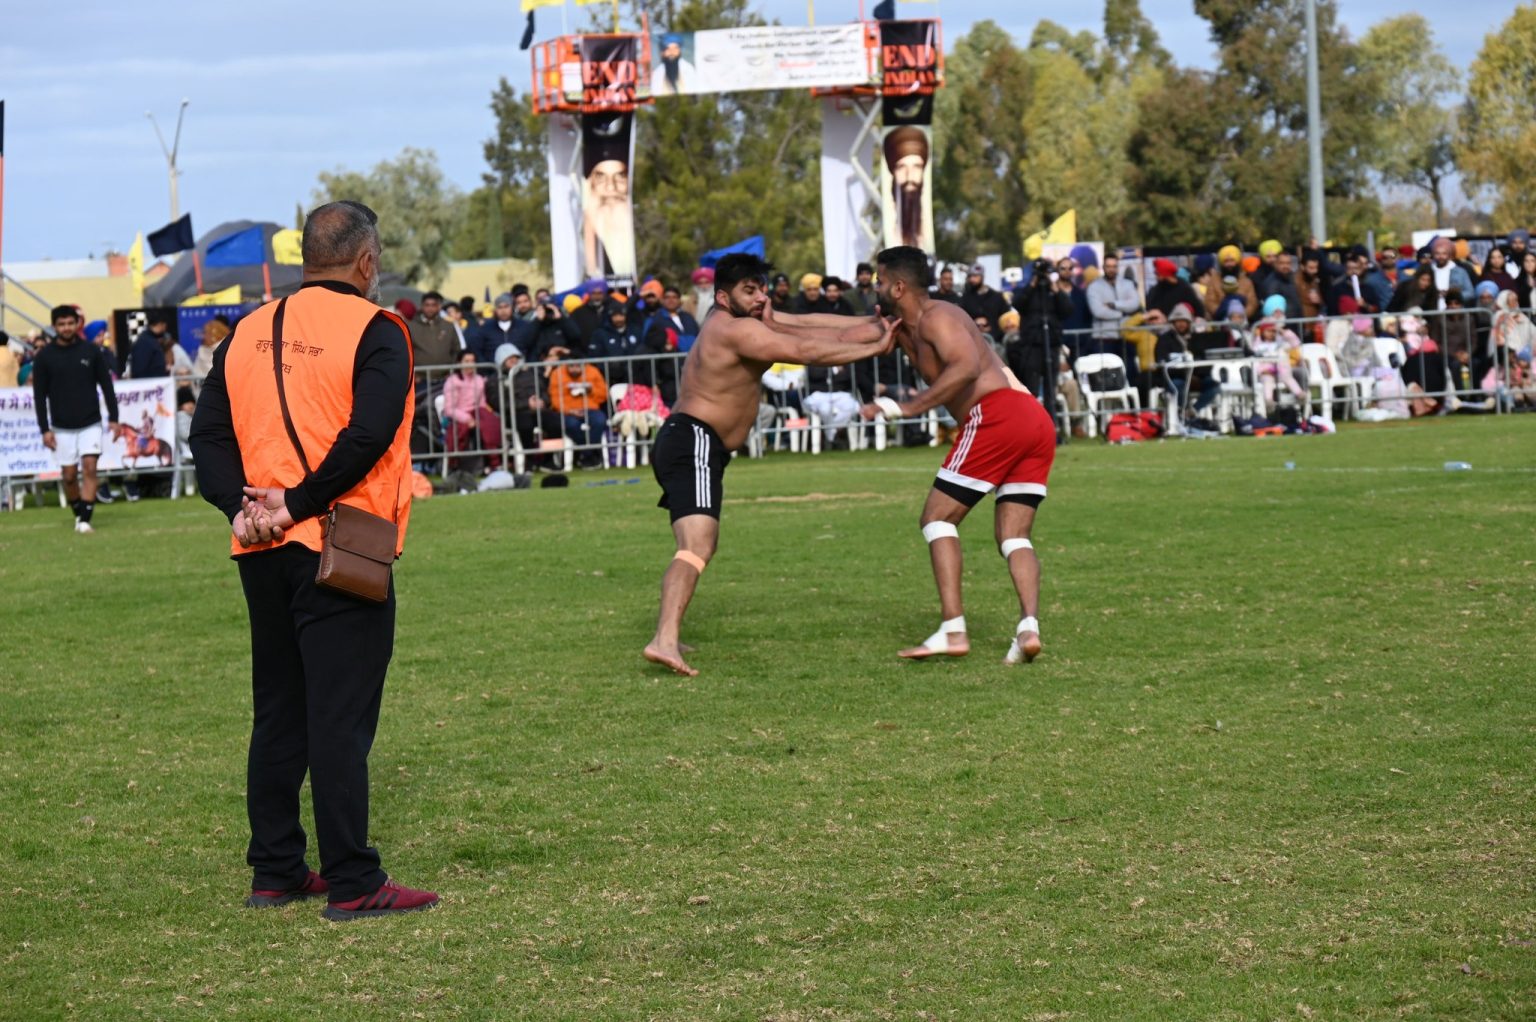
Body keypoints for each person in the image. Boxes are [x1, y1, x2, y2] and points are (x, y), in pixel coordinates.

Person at [188, 200, 438, 921]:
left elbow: (207, 435)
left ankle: (276, 870)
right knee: (338, 716)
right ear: (367, 262)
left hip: (259, 546)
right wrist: (297, 505)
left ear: (305, 261)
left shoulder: (246, 331)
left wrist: (242, 509)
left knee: (280, 711)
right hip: (338, 541)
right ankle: (355, 882)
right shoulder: (375, 329)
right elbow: (368, 435)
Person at [643, 253, 895, 677]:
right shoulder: (734, 330)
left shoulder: (745, 320)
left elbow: (806, 322)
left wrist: (873, 324)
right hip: (695, 440)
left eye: (762, 288)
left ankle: (668, 633)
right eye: (750, 290)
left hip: (693, 443)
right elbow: (804, 349)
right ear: (723, 297)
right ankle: (663, 639)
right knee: (698, 545)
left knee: (696, 545)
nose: (761, 297)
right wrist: (876, 345)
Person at [854, 245, 1057, 665]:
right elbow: (839, 331)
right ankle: (1028, 629)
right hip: (1032, 420)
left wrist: (908, 407)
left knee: (936, 519)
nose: (873, 286)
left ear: (898, 285)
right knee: (1014, 535)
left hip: (999, 414)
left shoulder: (938, 316)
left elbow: (964, 367)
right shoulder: (906, 326)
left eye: (878, 280)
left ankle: (953, 628)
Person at [32, 304, 120, 534]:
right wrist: (45, 429)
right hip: (61, 426)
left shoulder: (91, 352)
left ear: (77, 324)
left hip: (90, 422)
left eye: (70, 323)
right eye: (61, 324)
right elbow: (39, 396)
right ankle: (78, 510)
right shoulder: (44, 357)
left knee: (90, 468)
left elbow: (107, 386)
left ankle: (85, 519)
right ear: (55, 326)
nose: (66, 328)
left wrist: (114, 418)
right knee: (69, 476)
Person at [441, 350, 502, 471]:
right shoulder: (453, 381)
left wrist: (482, 417)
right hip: (459, 415)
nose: (470, 364)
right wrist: (467, 419)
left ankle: (494, 462)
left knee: (490, 423)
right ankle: (456, 465)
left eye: (473, 361)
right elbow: (449, 408)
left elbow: (482, 403)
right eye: (466, 361)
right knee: (461, 429)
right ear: (459, 363)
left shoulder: (479, 380)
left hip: (478, 412)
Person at [129, 313, 173, 379]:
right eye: (164, 326)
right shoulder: (145, 342)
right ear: (160, 324)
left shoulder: (150, 340)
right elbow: (139, 370)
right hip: (149, 385)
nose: (165, 330)